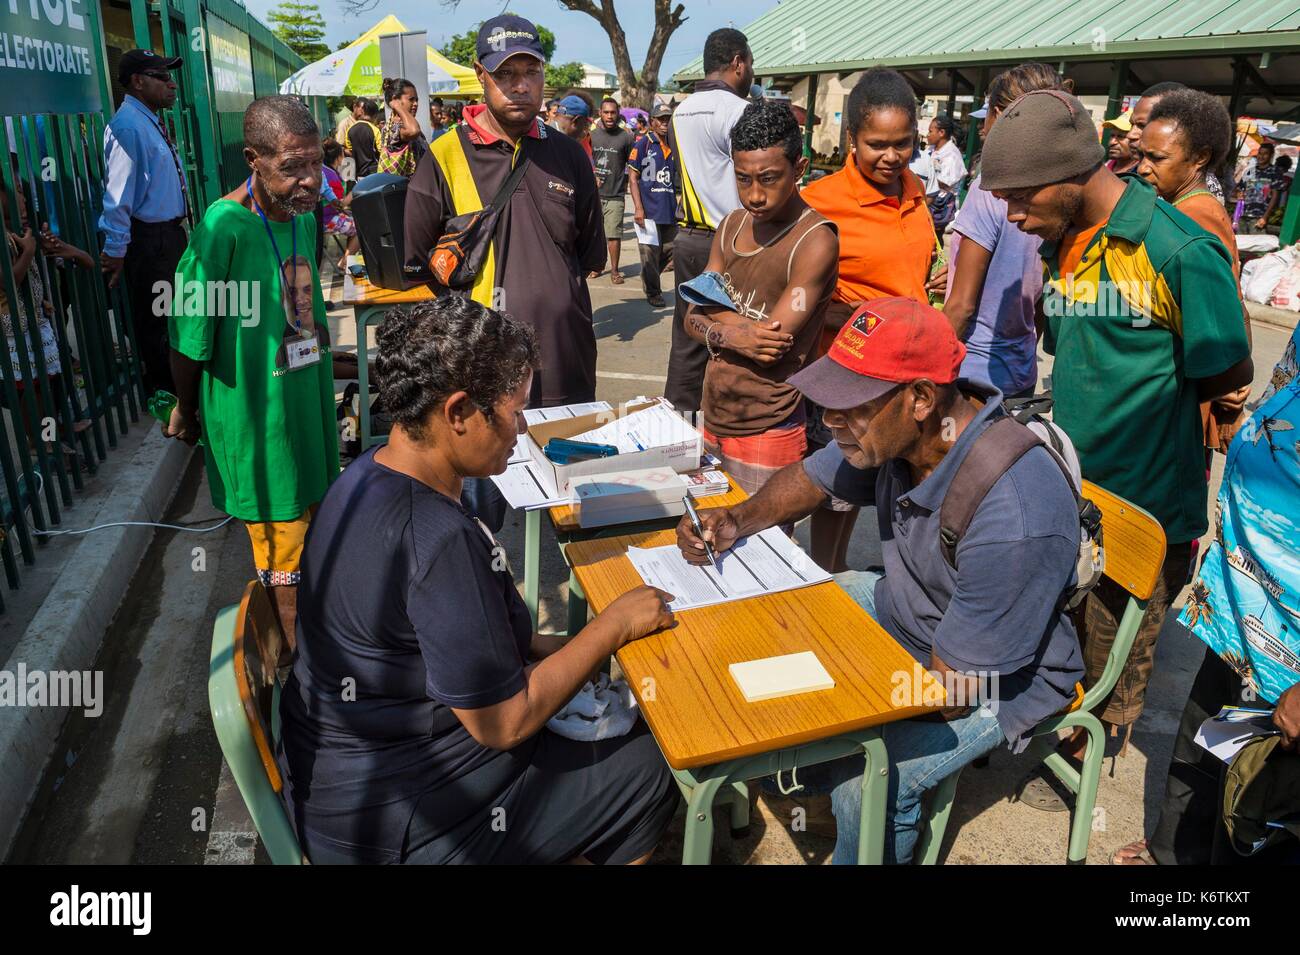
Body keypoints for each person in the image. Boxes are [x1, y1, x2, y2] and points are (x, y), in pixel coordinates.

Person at [677, 297, 1086, 864]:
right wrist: (735, 520)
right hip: (914, 619)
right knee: (786, 620)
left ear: (920, 398)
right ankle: (812, 775)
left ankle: (845, 801)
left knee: (873, 780)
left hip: (990, 679)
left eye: (849, 407)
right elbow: (814, 480)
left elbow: (952, 695)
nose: (828, 421)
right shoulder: (900, 439)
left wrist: (837, 694)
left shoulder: (1013, 515)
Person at [277, 296, 680, 864]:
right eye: (514, 412)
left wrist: (580, 651)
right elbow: (505, 723)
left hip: (343, 775)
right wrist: (612, 627)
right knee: (650, 765)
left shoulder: (366, 473)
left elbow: (482, 642)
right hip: (395, 822)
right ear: (459, 411)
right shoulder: (435, 539)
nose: (521, 431)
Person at [980, 89, 1254, 806]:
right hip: (1069, 485)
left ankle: (1093, 754)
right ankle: (1057, 720)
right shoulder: (1061, 238)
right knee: (1059, 625)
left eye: (1018, 198)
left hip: (1141, 505)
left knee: (1115, 647)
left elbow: (1227, 370)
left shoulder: (1178, 249)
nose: (1011, 216)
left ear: (1068, 176)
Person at [1111, 321, 1300, 866]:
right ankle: (1174, 856)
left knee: (1261, 810)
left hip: (1291, 654)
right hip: (1242, 606)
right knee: (1203, 750)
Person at [163, 95, 338, 647]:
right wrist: (186, 411)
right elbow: (190, 341)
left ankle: (321, 644)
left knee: (314, 533)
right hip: (258, 422)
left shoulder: (300, 215)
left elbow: (305, 311)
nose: (311, 180)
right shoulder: (221, 229)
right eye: (293, 168)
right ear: (253, 160)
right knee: (284, 545)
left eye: (316, 162)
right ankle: (297, 670)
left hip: (306, 407)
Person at [404, 13, 605, 411]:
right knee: (491, 470)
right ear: (481, 74)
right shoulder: (444, 155)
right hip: (481, 362)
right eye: (506, 73)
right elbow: (417, 262)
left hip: (566, 356)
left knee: (566, 464)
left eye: (531, 71)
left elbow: (588, 254)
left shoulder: (568, 154)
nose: (520, 85)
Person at [800, 67, 939, 572]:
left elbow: (905, 271)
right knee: (835, 490)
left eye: (903, 143)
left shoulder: (915, 190)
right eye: (877, 144)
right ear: (851, 138)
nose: (892, 156)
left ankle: (853, 580)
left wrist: (923, 288)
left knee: (881, 492)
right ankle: (822, 581)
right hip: (848, 381)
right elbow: (802, 300)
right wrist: (866, 316)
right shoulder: (819, 204)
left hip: (906, 383)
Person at [682, 98, 838, 497]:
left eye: (769, 178)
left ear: (799, 169)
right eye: (743, 178)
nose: (754, 195)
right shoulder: (731, 226)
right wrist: (732, 335)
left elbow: (772, 341)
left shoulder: (815, 241)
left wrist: (717, 319)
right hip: (714, 414)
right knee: (705, 536)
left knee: (761, 549)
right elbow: (690, 318)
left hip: (769, 427)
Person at [1136, 87, 1252, 456]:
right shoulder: (1178, 204)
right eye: (1142, 155)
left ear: (1200, 158)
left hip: (1185, 401)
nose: (1142, 167)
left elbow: (1223, 304)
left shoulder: (1195, 214)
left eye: (1157, 158)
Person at [944, 63, 1065, 402]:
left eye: (985, 118)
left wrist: (929, 377)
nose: (982, 129)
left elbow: (961, 308)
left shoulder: (989, 188)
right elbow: (1045, 296)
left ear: (999, 116)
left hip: (972, 380)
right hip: (1019, 375)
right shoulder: (1060, 190)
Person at [663, 27, 753, 416]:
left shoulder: (679, 112)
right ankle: (724, 421)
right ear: (737, 63)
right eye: (750, 64)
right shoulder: (740, 111)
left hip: (690, 238)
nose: (750, 73)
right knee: (734, 334)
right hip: (733, 243)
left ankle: (677, 423)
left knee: (687, 338)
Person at [98, 49, 189, 396]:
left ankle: (177, 389)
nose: (172, 84)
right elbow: (118, 197)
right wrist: (116, 250)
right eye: (162, 77)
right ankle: (166, 395)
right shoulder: (128, 128)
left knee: (173, 317)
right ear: (137, 82)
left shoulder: (146, 120)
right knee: (157, 322)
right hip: (150, 241)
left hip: (166, 237)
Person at [628, 103, 677, 307]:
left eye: (668, 119)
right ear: (652, 122)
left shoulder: (675, 144)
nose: (665, 123)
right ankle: (653, 292)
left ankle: (651, 276)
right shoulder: (643, 145)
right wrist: (638, 208)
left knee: (673, 249)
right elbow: (632, 178)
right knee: (649, 253)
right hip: (649, 210)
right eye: (661, 119)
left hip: (670, 209)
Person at [590, 97, 636, 284]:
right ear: (600, 113)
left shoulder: (626, 137)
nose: (609, 116)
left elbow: (631, 165)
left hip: (615, 194)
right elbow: (584, 161)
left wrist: (628, 183)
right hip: (593, 195)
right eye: (606, 112)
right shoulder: (591, 136)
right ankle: (595, 266)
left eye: (613, 112)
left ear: (618, 114)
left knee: (613, 235)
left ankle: (615, 271)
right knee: (594, 234)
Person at [923, 114, 966, 238]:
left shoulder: (952, 155)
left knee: (933, 238)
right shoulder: (931, 149)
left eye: (931, 131)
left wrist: (925, 177)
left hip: (939, 206)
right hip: (928, 200)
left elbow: (947, 182)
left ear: (941, 132)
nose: (928, 134)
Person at [321, 138, 359, 270]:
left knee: (354, 220)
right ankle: (344, 262)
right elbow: (340, 204)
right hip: (327, 220)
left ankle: (349, 260)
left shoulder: (323, 170)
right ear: (337, 158)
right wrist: (355, 192)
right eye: (342, 154)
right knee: (361, 228)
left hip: (323, 217)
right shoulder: (331, 176)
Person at [379, 77, 428, 177]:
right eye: (411, 100)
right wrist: (397, 106)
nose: (416, 104)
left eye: (417, 100)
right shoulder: (394, 127)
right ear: (395, 99)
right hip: (405, 189)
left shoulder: (406, 123)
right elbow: (413, 131)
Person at [1238, 141, 1288, 234]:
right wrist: (1239, 196)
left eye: (1265, 154)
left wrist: (1265, 217)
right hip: (1243, 216)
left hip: (1259, 218)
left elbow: (1275, 197)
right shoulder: (1249, 171)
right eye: (1260, 153)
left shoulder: (1275, 172)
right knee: (1239, 245)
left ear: (1271, 155)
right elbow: (1240, 191)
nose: (1261, 156)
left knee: (1256, 246)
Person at [344, 98, 381, 179]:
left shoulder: (350, 130)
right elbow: (381, 150)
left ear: (363, 111)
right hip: (374, 172)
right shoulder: (375, 130)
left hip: (358, 174)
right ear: (375, 115)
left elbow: (349, 151)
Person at [553, 93, 594, 164]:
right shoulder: (560, 145)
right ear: (576, 120)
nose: (584, 129)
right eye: (584, 124)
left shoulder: (543, 133)